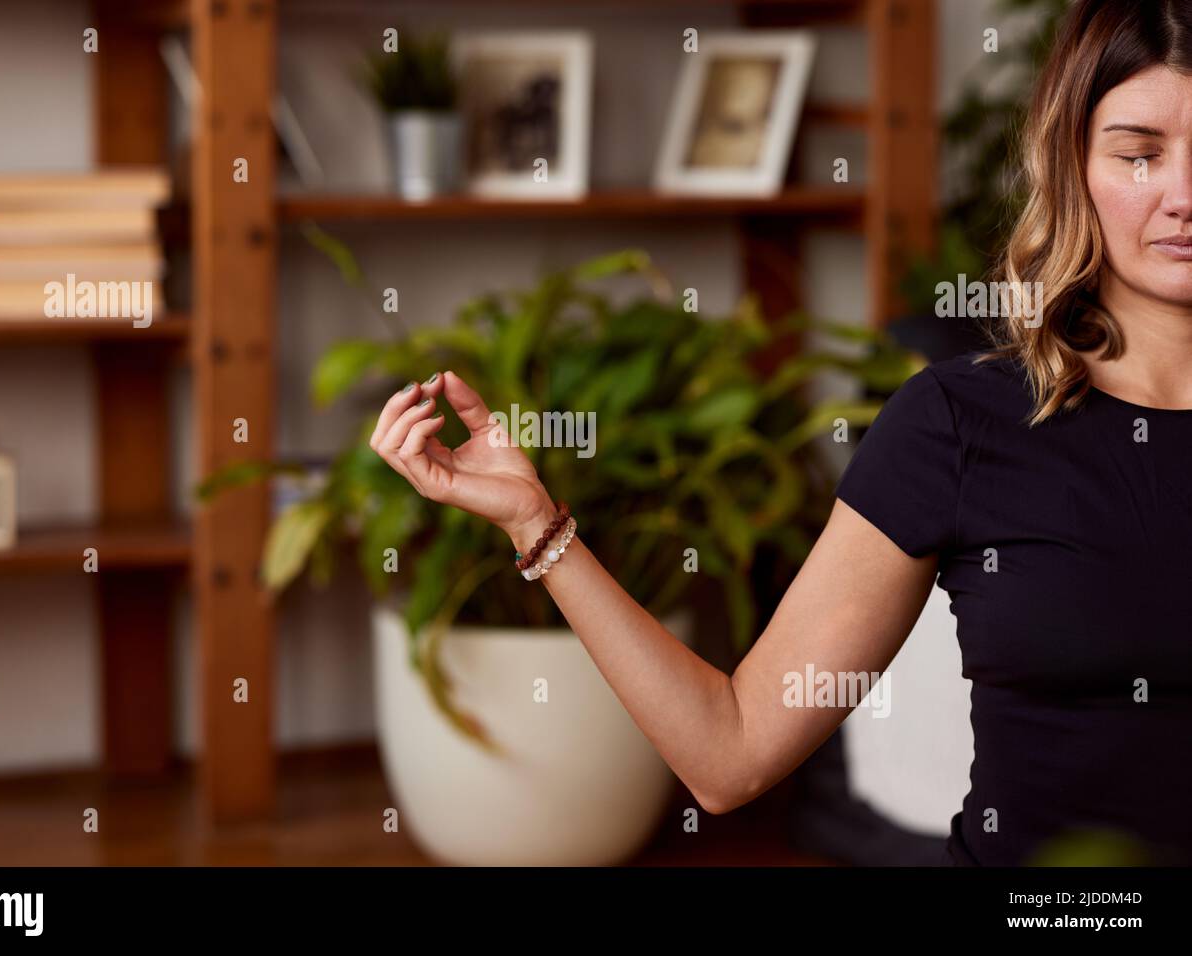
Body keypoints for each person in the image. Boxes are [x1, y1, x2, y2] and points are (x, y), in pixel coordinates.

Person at [368, 0, 1192, 866]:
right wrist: (539, 527)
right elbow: (730, 752)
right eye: (1140, 155)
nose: (1182, 197)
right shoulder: (958, 425)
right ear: (1073, 166)